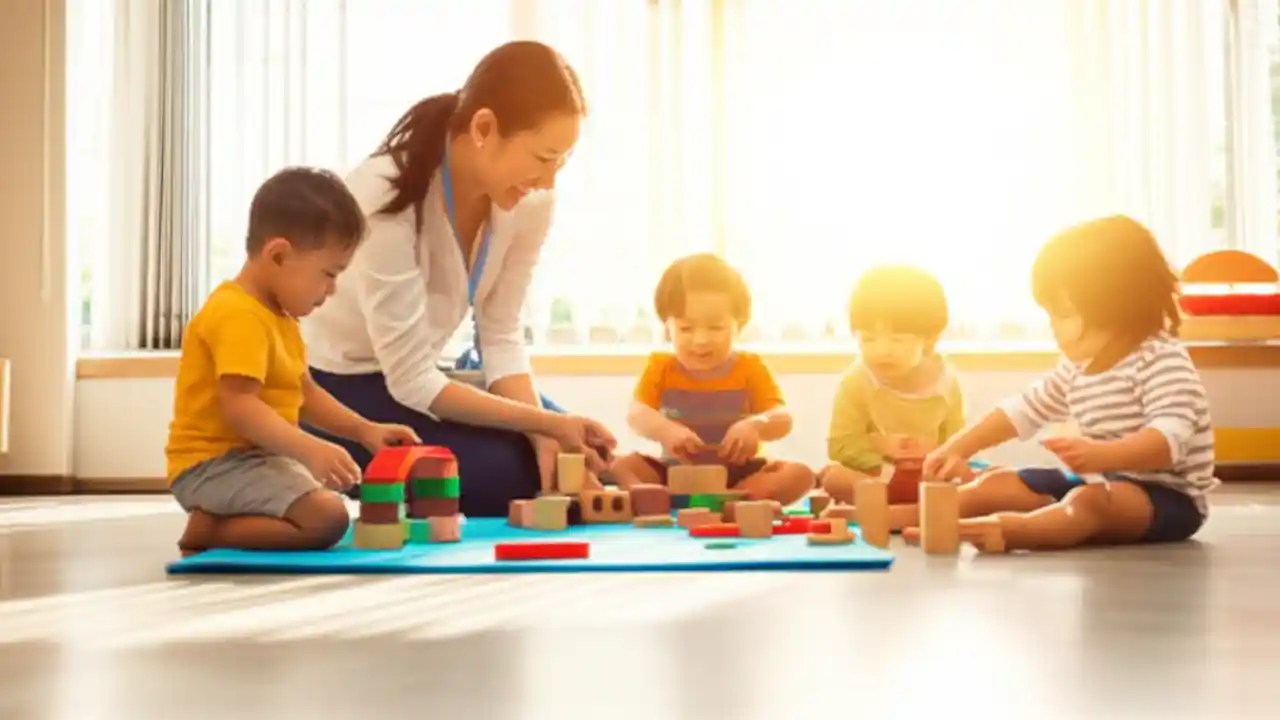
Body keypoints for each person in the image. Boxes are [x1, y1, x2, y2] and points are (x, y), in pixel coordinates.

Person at [302, 41, 615, 516]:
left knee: (583, 454)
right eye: (543, 157)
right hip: (342, 385)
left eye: (562, 162)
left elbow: (501, 332)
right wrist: (543, 425)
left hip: (424, 376)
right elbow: (409, 380)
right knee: (507, 476)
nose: (549, 180)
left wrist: (542, 431)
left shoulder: (529, 201)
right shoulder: (383, 194)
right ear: (485, 128)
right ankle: (313, 458)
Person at [904, 216, 1217, 551]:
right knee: (998, 482)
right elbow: (1023, 410)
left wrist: (1102, 455)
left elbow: (1168, 441)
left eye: (1064, 315)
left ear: (1118, 308)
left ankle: (1006, 531)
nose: (1053, 326)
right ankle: (906, 516)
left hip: (1168, 499)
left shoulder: (1161, 360)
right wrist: (958, 447)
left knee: (1087, 504)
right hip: (1102, 481)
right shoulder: (1077, 367)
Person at [167, 167, 422, 554]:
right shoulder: (238, 314)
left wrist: (363, 429)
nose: (332, 290)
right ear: (279, 255)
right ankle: (210, 531)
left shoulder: (279, 317)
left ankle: (227, 523)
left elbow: (305, 393)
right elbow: (239, 406)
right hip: (212, 466)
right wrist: (309, 449)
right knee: (328, 519)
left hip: (253, 460)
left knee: (332, 507)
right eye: (328, 274)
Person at [608, 253, 815, 505]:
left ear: (739, 325)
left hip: (740, 475)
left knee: (800, 473)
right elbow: (637, 414)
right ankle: (652, 497)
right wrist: (667, 430)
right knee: (622, 465)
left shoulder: (750, 366)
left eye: (716, 328)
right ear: (667, 326)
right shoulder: (661, 366)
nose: (701, 340)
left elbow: (782, 418)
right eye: (686, 328)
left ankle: (738, 500)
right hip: (676, 474)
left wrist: (756, 424)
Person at [818, 265, 965, 505]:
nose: (881, 350)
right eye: (868, 338)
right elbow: (840, 445)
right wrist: (883, 451)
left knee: (977, 478)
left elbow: (959, 444)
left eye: (897, 339)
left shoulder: (946, 382)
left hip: (927, 477)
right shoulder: (857, 380)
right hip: (878, 477)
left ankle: (913, 505)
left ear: (930, 339)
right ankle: (895, 505)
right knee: (833, 476)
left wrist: (933, 454)